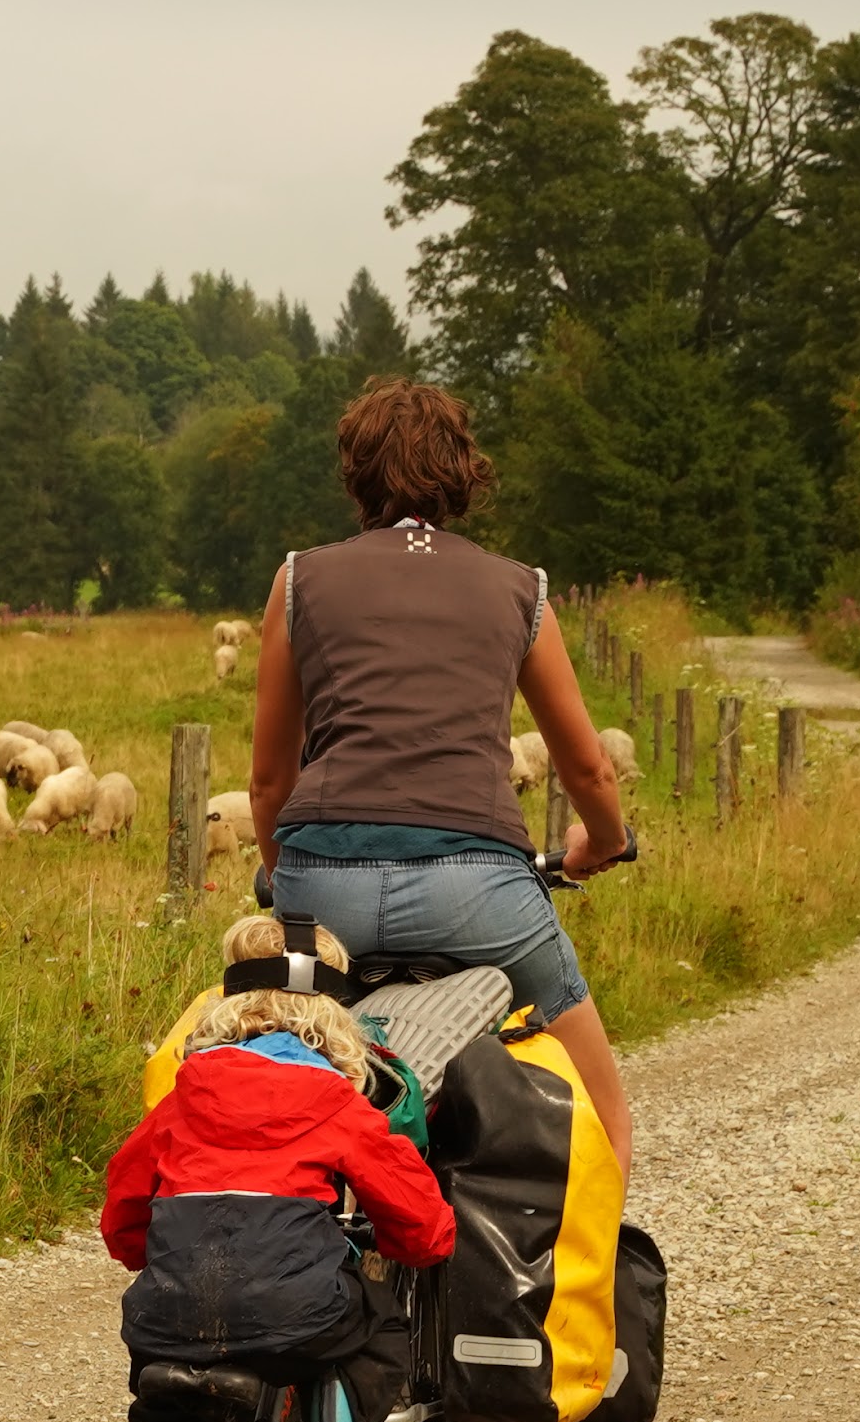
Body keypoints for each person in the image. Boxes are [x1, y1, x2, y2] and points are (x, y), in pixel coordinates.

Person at [246, 376, 638, 1170]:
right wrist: (601, 843)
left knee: (279, 1079)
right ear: (463, 474)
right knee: (604, 1115)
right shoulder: (521, 590)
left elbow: (267, 786)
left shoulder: (298, 580)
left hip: (325, 894)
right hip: (480, 894)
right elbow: (589, 768)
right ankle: (591, 1290)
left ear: (357, 476)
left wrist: (288, 877)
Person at [100, 920, 457, 1422]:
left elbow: (122, 1218)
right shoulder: (332, 1098)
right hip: (291, 1311)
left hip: (169, 1313)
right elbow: (423, 1227)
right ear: (333, 1023)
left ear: (226, 1012)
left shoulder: (185, 1092)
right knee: (369, 1321)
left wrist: (168, 1253)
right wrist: (405, 1245)